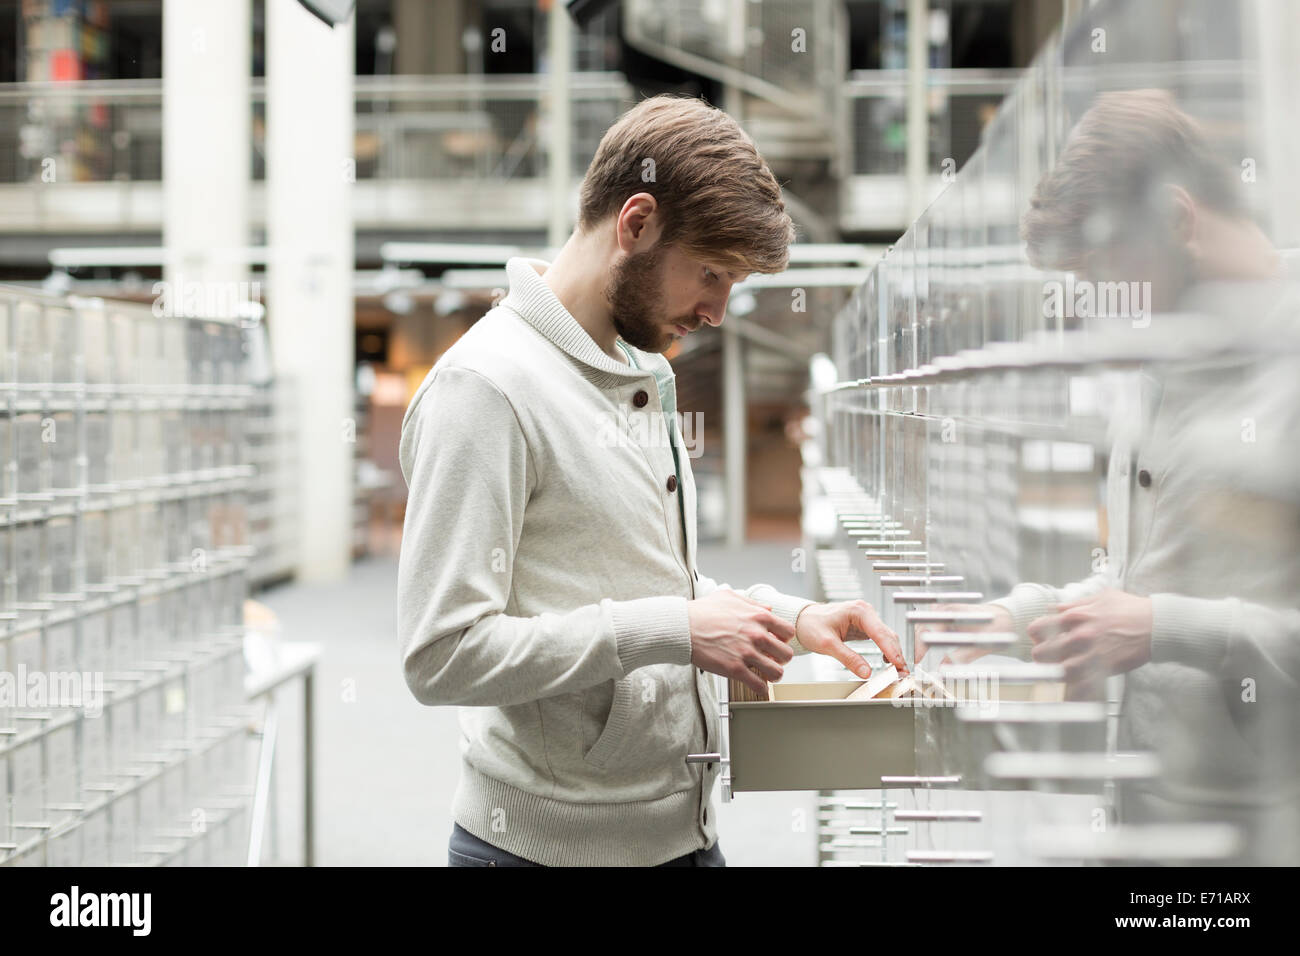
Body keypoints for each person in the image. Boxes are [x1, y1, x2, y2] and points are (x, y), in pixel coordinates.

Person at [397, 95, 907, 867]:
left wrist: (784, 616)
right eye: (711, 273)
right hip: (543, 854)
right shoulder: (486, 388)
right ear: (635, 223)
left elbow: (642, 574)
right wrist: (674, 629)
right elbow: (442, 653)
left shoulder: (635, 370)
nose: (719, 311)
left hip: (680, 839)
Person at [917, 89, 1300, 864]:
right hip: (1149, 815)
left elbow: (1156, 614)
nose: (1093, 316)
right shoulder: (1158, 372)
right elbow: (1140, 584)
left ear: (1179, 222)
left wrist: (1164, 628)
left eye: (1103, 281)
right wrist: (1024, 617)